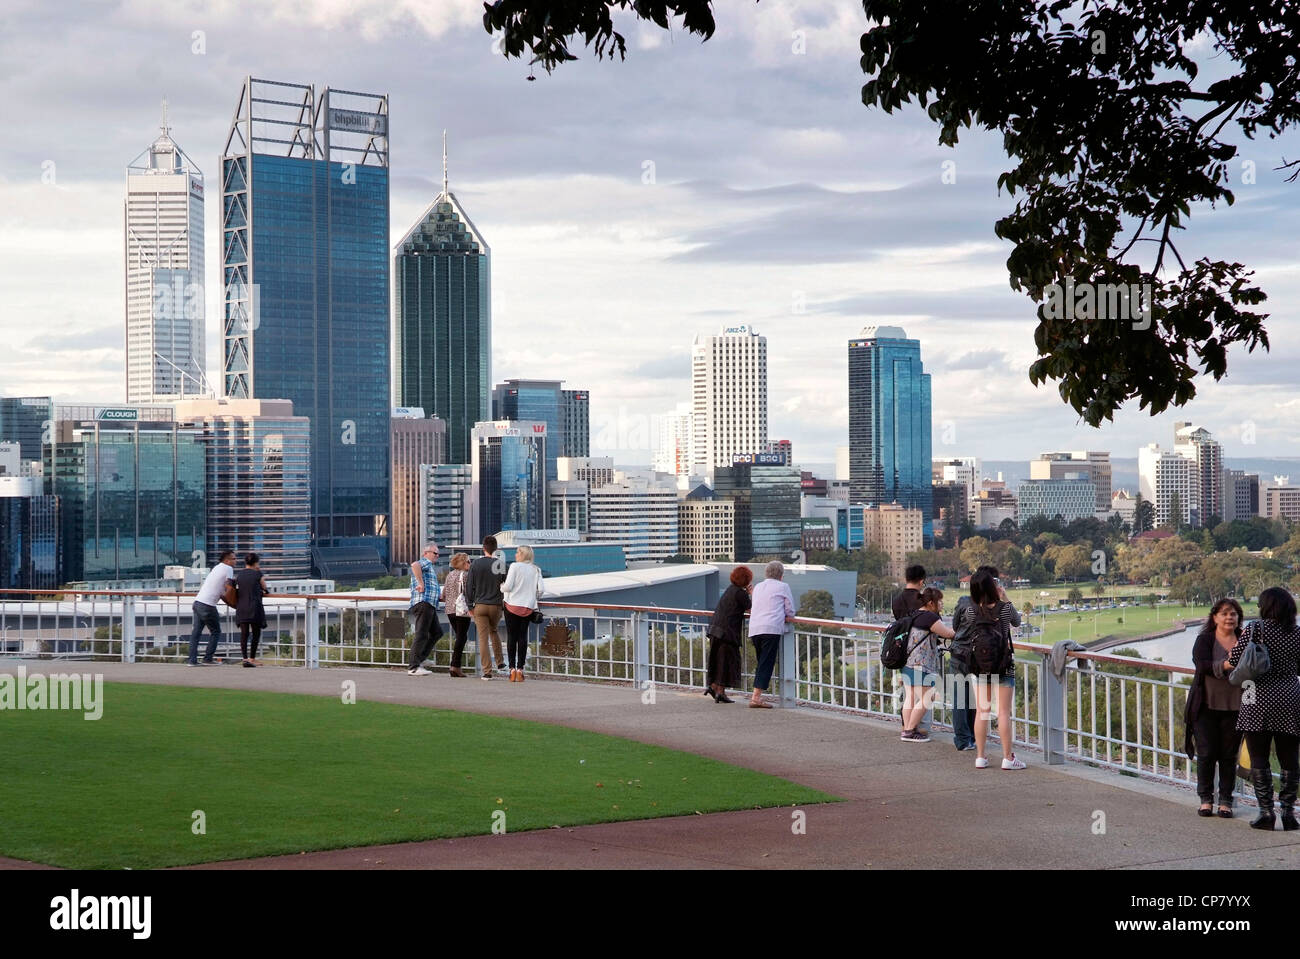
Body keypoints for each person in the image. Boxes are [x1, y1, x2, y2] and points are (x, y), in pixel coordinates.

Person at [1227, 587, 1300, 830]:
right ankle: (1289, 814)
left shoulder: (1255, 630)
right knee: (1289, 757)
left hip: (1256, 696)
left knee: (1259, 756)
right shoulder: (1297, 633)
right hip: (1290, 698)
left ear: (1265, 606)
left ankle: (1266, 813)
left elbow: (1236, 659)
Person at [950, 564, 1021, 753]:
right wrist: (1003, 596)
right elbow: (1017, 621)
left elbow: (959, 627)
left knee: (982, 711)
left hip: (980, 664)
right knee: (1004, 713)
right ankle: (1008, 757)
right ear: (993, 586)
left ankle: (980, 756)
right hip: (1004, 664)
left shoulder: (971, 611)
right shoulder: (1004, 609)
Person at [1183, 598, 1244, 817]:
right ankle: (1206, 800)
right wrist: (1228, 664)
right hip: (1206, 706)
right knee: (1207, 754)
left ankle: (1226, 801)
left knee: (1228, 756)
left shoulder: (1245, 640)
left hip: (1235, 706)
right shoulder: (1205, 640)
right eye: (1225, 613)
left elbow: (1254, 666)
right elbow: (1202, 665)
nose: (1230, 617)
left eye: (1234, 614)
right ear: (1215, 617)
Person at [900, 587, 956, 742]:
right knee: (928, 697)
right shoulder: (930, 618)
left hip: (908, 662)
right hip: (922, 664)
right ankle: (910, 731)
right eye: (940, 601)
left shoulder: (915, 614)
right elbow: (949, 634)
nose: (941, 604)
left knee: (910, 697)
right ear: (931, 603)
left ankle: (907, 729)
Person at [747, 561, 795, 708]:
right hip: (771, 628)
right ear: (781, 575)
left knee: (761, 661)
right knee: (766, 662)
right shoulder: (783, 587)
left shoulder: (759, 587)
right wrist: (786, 615)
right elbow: (790, 610)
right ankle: (756, 697)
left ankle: (756, 694)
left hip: (755, 628)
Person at [705, 566, 752, 703]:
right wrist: (751, 592)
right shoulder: (741, 593)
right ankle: (718, 690)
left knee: (717, 660)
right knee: (728, 662)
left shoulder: (730, 589)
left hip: (715, 629)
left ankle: (716, 688)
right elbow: (751, 608)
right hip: (727, 633)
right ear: (746, 579)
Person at [464, 535, 508, 679]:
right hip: (495, 605)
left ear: (483, 548)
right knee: (493, 631)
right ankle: (500, 663)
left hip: (480, 605)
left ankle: (487, 672)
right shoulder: (499, 564)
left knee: (483, 638)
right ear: (495, 549)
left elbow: (469, 586)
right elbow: (507, 585)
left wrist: (470, 605)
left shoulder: (475, 564)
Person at [502, 545, 545, 683]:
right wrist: (532, 596)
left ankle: (512, 670)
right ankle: (520, 670)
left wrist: (501, 587)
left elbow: (508, 587)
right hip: (527, 608)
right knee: (522, 638)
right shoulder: (536, 569)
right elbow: (541, 590)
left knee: (511, 637)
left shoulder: (514, 566)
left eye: (517, 552)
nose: (515, 555)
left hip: (511, 606)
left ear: (522, 554)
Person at [188, 550, 236, 666]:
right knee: (216, 631)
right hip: (208, 605)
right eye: (233, 559)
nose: (235, 561)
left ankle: (192, 661)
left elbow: (220, 588)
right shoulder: (228, 568)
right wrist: (233, 602)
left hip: (198, 602)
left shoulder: (217, 567)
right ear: (227, 560)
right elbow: (229, 586)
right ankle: (208, 658)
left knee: (196, 633)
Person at [407, 543, 442, 676]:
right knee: (421, 633)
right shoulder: (425, 562)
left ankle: (421, 658)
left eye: (438, 554)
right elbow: (414, 565)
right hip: (424, 602)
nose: (437, 556)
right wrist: (421, 583)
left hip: (430, 604)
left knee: (437, 632)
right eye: (435, 553)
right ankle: (414, 667)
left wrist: (440, 594)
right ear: (426, 553)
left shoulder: (430, 567)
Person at [234, 552, 269, 668]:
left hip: (242, 607)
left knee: (244, 634)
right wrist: (260, 575)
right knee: (255, 633)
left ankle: (245, 659)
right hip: (254, 607)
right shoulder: (257, 574)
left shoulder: (239, 575)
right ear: (255, 563)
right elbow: (264, 587)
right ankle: (252, 658)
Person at [443, 553, 473, 677]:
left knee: (460, 637)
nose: (470, 564)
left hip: (450, 610)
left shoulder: (449, 575)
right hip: (461, 610)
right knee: (461, 637)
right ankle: (455, 666)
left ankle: (455, 666)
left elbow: (443, 594)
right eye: (469, 562)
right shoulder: (465, 575)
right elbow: (470, 592)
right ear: (463, 563)